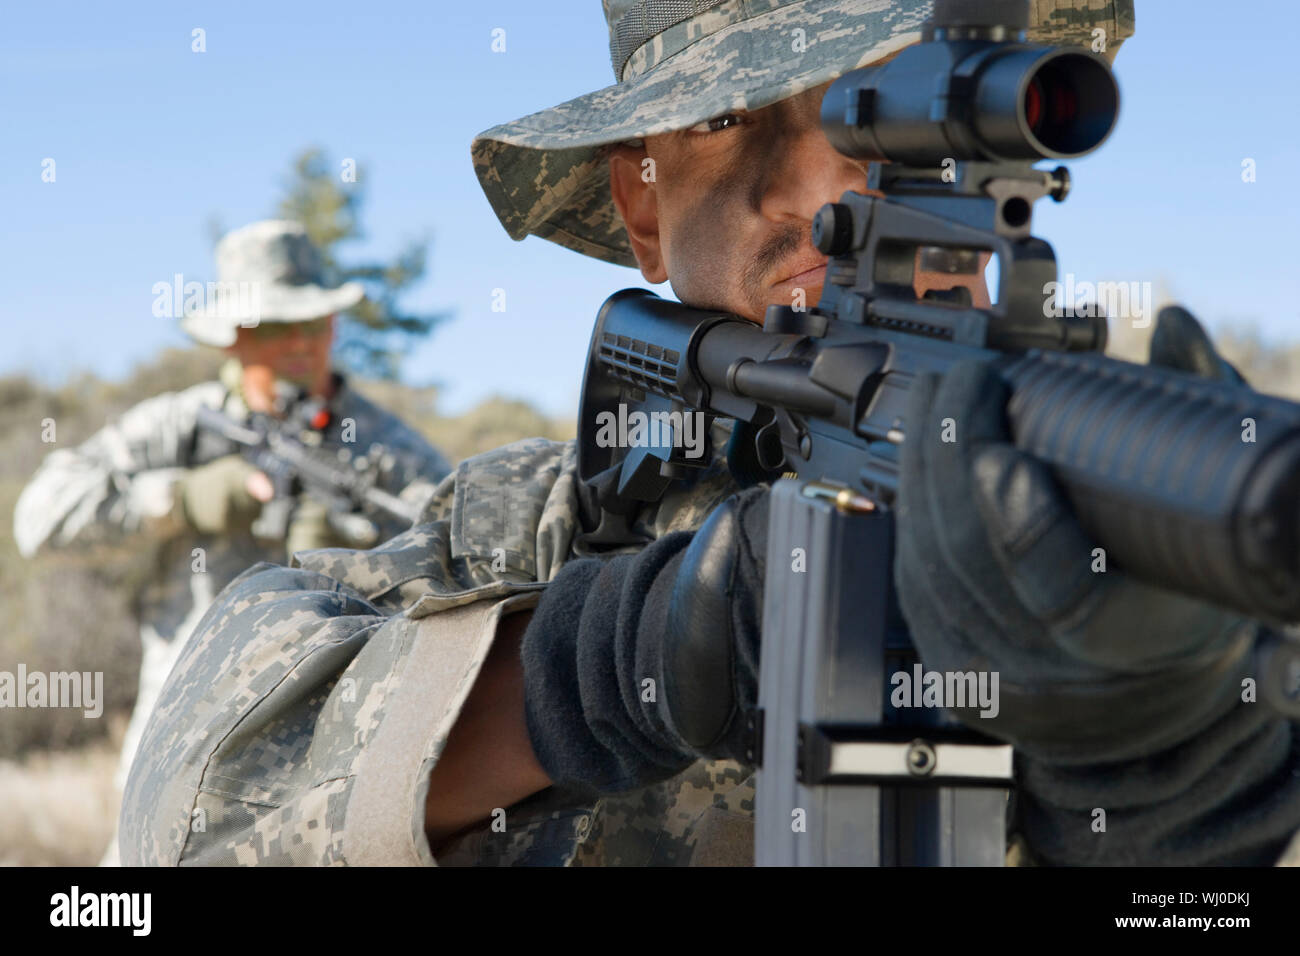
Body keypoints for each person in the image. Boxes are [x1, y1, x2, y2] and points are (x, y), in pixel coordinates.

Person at [120, 1, 1300, 866]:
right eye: (727, 118)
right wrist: (618, 660)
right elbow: (182, 822)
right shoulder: (511, 539)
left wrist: (1174, 772)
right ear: (641, 206)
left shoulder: (1156, 539)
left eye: (876, 103)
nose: (816, 188)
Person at [14, 219, 451, 865]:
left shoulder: (385, 450)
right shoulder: (180, 427)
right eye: (274, 327)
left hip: (333, 764)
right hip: (180, 754)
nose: (299, 344)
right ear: (235, 337)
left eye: (314, 322)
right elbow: (40, 518)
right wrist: (180, 500)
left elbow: (462, 557)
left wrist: (369, 559)